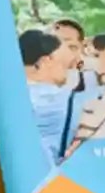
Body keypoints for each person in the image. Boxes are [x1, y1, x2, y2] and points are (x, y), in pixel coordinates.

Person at [18, 29, 76, 164]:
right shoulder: (61, 98)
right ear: (46, 61)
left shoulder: (12, 97)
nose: (68, 73)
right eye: (65, 66)